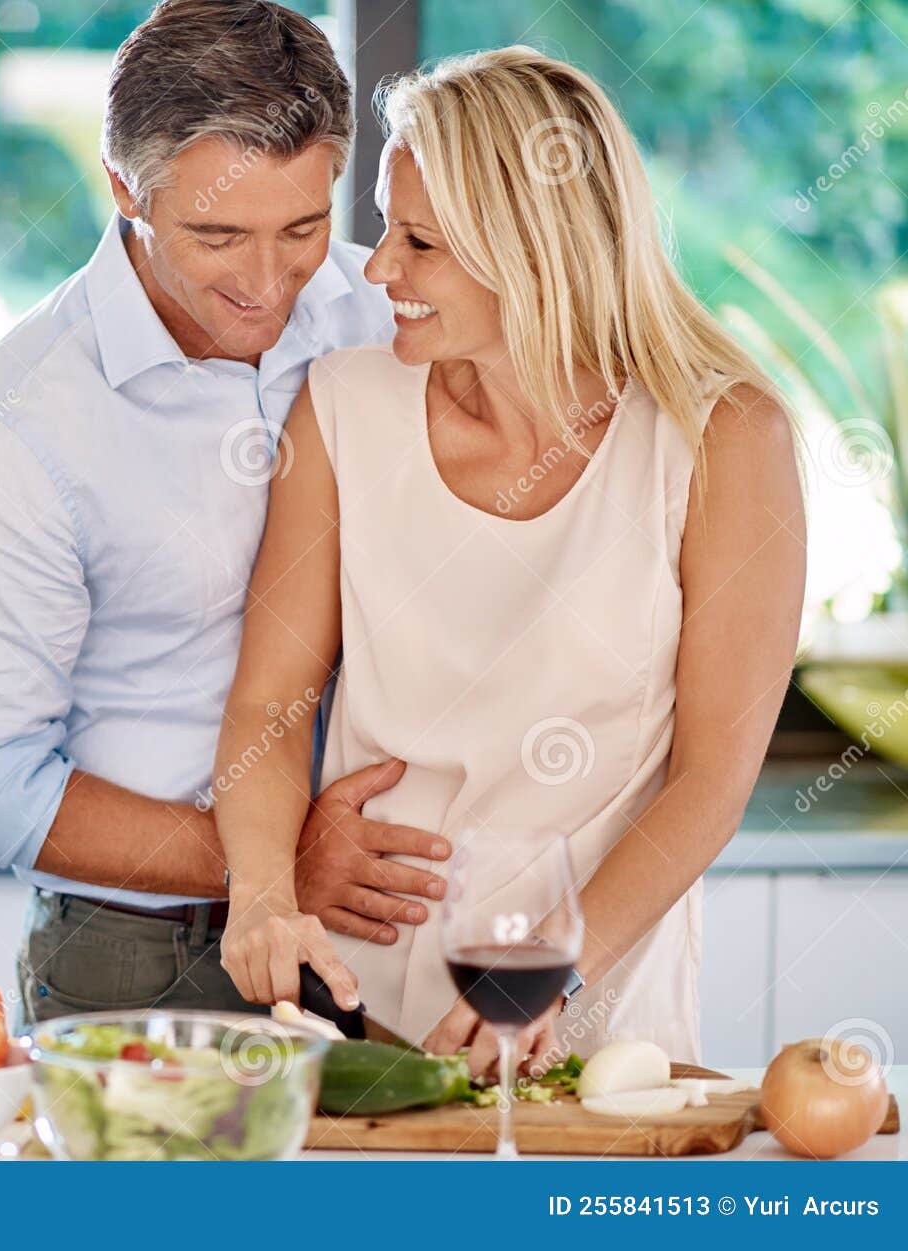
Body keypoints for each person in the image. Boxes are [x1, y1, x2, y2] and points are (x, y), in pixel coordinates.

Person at [213, 46, 805, 1074]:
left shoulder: (719, 437)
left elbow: (712, 777)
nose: (378, 269)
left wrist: (540, 976)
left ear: (532, 252)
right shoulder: (344, 407)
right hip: (362, 1003)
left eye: (419, 243)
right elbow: (269, 700)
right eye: (384, 230)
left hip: (594, 1010)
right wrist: (263, 894)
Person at [0, 0, 447, 1023]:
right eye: (214, 234)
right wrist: (275, 871)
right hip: (146, 959)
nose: (264, 283)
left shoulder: (378, 317)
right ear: (124, 189)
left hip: (392, 932)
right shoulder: (11, 430)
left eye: (302, 227)